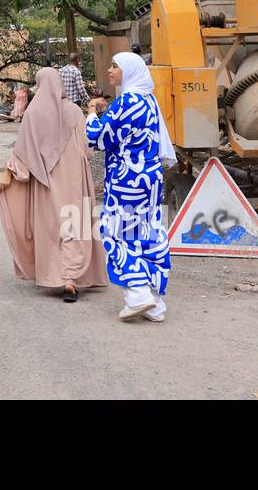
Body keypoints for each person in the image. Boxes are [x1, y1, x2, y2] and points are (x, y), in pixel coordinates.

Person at [0, 67, 107, 302]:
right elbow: (88, 150)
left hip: (46, 181)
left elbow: (23, 152)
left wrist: (9, 172)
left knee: (51, 228)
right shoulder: (74, 112)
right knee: (74, 225)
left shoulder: (33, 113)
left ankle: (54, 275)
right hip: (75, 177)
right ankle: (71, 279)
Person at [86, 51, 176, 322]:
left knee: (116, 233)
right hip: (149, 178)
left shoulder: (126, 101)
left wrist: (91, 114)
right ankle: (156, 303)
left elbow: (98, 138)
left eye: (115, 66)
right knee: (147, 232)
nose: (110, 70)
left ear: (129, 71)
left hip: (127, 180)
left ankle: (138, 294)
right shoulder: (148, 101)